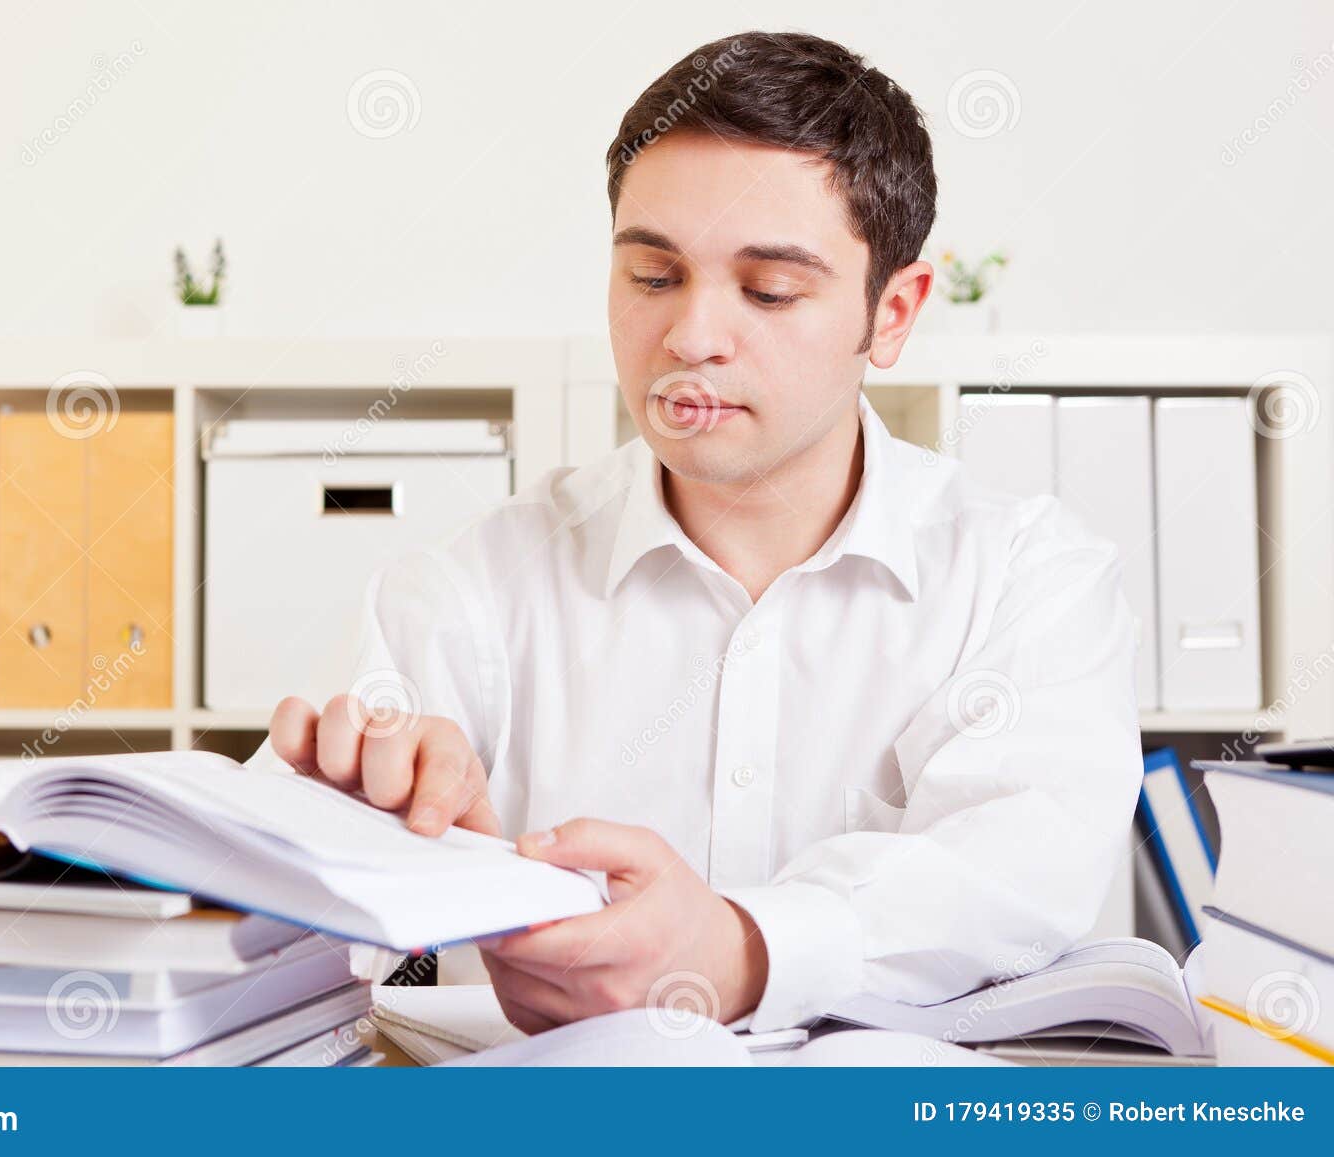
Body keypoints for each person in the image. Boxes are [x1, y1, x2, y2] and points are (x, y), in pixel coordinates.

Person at [270, 30, 1141, 1034]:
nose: (690, 337)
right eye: (651, 276)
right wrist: (364, 838)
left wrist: (739, 948)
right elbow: (270, 939)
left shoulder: (1027, 580)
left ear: (891, 312)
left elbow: (1015, 869)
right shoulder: (467, 588)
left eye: (769, 289)